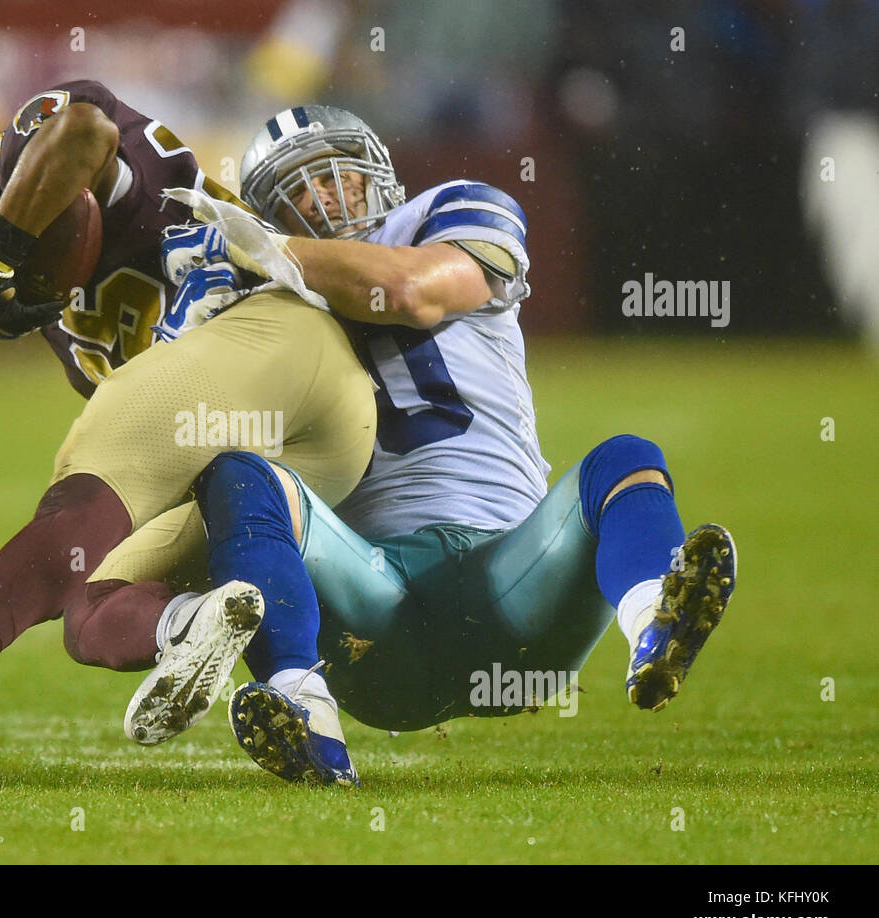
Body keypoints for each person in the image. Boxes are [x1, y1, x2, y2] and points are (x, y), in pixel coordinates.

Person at [119, 105, 737, 787]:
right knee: (235, 474)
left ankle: (657, 619)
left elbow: (408, 290)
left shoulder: (446, 211)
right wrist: (185, 331)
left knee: (623, 459)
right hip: (373, 616)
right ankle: (302, 707)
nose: (324, 200)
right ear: (271, 212)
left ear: (375, 172)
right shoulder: (263, 296)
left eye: (336, 178)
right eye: (298, 193)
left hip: (513, 582)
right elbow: (172, 434)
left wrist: (270, 253)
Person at [0, 85, 379, 781]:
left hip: (289, 344)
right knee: (88, 600)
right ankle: (267, 680)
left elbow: (81, 128)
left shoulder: (125, 185)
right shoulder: (70, 323)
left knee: (88, 476)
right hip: (305, 459)